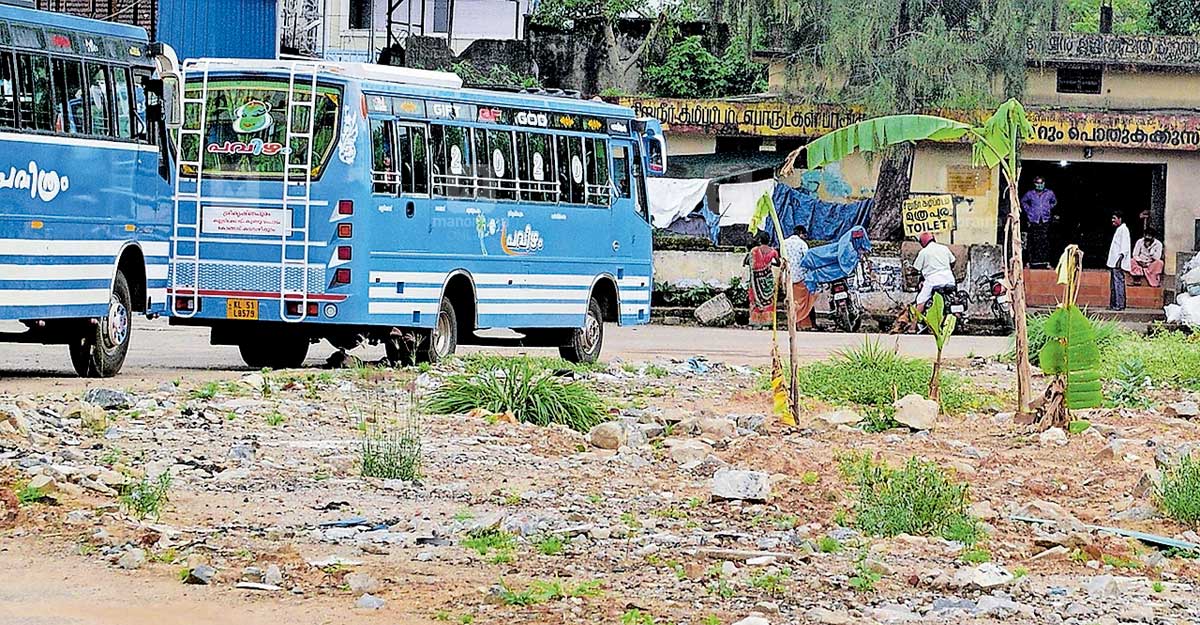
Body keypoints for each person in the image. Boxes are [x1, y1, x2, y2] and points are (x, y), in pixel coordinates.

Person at [744, 231, 780, 327]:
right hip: (768, 278)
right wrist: (769, 264)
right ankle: (767, 322)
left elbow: (747, 262)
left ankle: (755, 321)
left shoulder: (754, 250)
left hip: (755, 280)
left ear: (759, 240)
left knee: (754, 298)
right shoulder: (773, 251)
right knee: (768, 300)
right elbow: (778, 263)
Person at [913, 232, 957, 312]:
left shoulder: (924, 252)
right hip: (949, 279)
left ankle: (915, 319)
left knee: (920, 301)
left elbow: (916, 268)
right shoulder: (944, 248)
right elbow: (953, 261)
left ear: (923, 242)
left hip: (933, 281)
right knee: (954, 299)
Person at [781, 225, 814, 330]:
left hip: (787, 277)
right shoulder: (802, 244)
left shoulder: (784, 243)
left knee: (791, 301)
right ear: (801, 233)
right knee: (803, 302)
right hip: (800, 277)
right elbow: (807, 260)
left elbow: (782, 259)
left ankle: (792, 322)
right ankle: (802, 323)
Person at [1020, 176, 1057, 265]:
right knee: (1033, 240)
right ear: (1034, 184)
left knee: (1044, 240)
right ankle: (1032, 261)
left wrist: (1048, 208)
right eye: (1038, 183)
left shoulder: (1049, 193)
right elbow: (1023, 201)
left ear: (1044, 183)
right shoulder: (1030, 194)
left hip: (1045, 220)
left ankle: (1044, 260)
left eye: (1041, 183)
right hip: (1033, 220)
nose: (1040, 185)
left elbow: (1054, 202)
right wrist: (1029, 211)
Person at [1107, 212, 1132, 311]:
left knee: (1118, 283)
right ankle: (1114, 304)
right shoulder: (1119, 229)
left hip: (1118, 262)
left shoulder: (1124, 230)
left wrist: (1119, 261)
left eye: (1114, 218)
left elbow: (1124, 247)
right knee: (1114, 284)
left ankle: (1119, 304)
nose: (1112, 220)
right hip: (1114, 262)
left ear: (1120, 218)